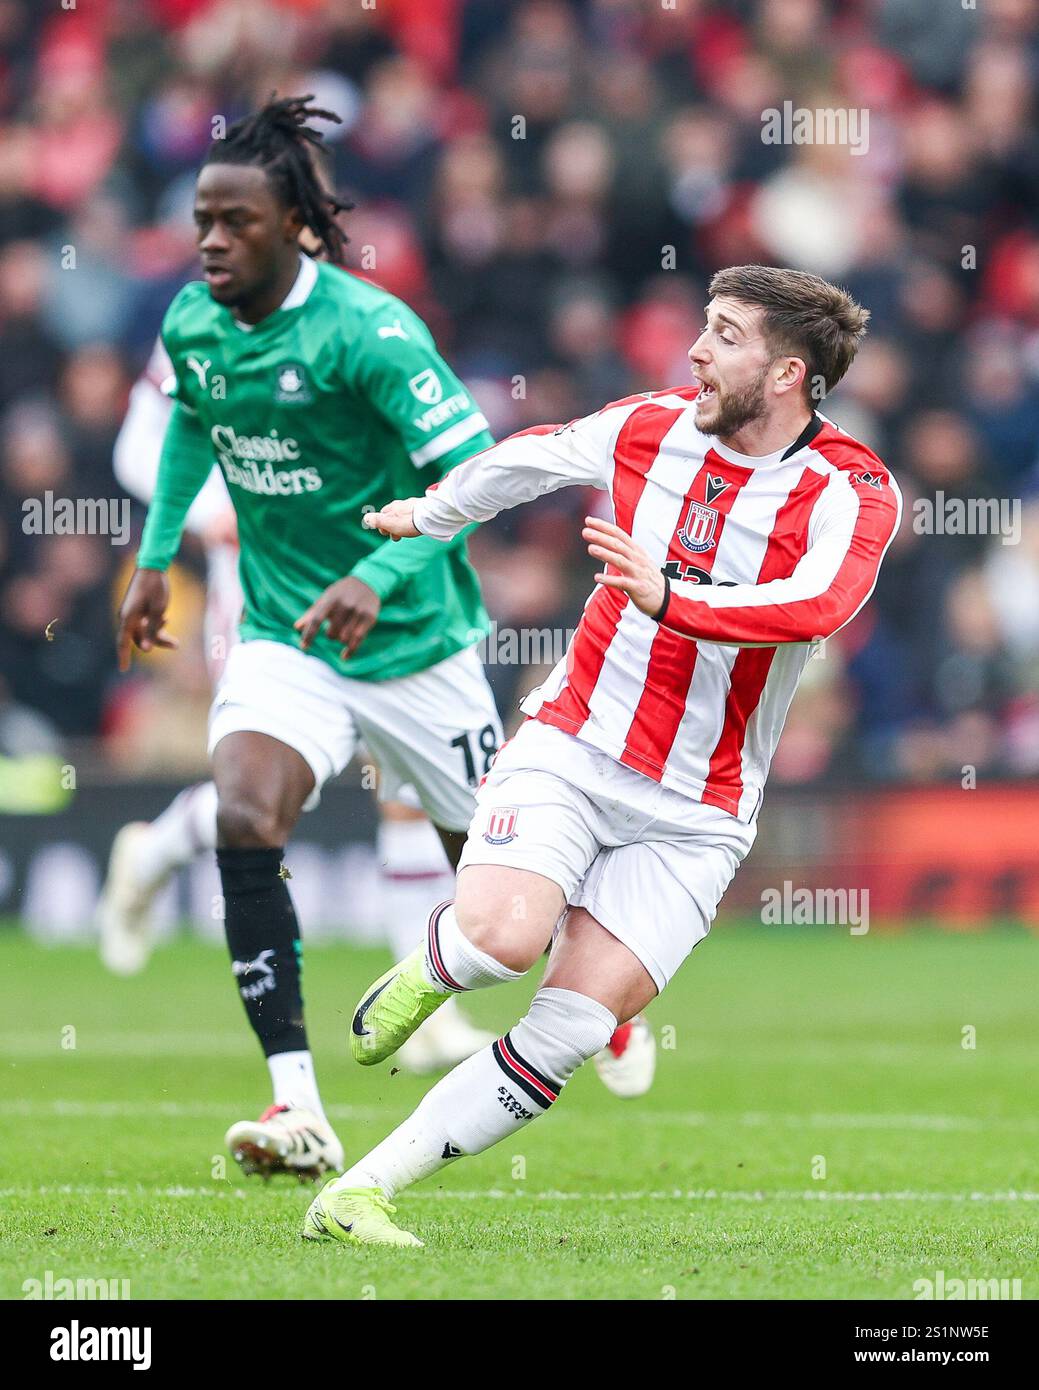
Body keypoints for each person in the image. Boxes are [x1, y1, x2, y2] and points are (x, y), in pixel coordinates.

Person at [300, 264, 902, 1247]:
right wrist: (432, 512)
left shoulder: (852, 489)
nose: (696, 351)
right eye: (702, 328)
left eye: (725, 335)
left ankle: (358, 1193)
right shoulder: (652, 425)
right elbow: (534, 454)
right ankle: (436, 967)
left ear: (789, 372)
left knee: (573, 1028)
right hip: (576, 744)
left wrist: (674, 599)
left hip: (701, 806)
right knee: (502, 937)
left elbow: (819, 606)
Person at [116, 97, 650, 1186]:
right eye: (202, 221)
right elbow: (189, 422)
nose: (211, 242)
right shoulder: (192, 323)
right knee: (243, 813)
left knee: (496, 891)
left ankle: (604, 1001)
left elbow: (472, 481)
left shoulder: (371, 330)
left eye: (236, 223)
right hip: (285, 632)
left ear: (297, 226)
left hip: (418, 643)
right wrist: (151, 556)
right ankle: (295, 1104)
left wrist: (379, 568)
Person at [101, 333, 494, 1077]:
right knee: (271, 790)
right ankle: (151, 851)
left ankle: (426, 1013)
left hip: (367, 571)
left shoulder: (355, 325)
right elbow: (140, 441)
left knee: (406, 788)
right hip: (259, 582)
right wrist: (206, 512)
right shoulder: (205, 325)